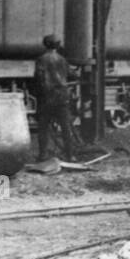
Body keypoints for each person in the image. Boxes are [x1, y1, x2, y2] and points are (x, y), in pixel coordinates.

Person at [34, 34, 76, 163]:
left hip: (47, 97)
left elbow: (38, 78)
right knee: (66, 127)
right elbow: (71, 75)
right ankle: (70, 156)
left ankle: (42, 155)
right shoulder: (62, 60)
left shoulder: (41, 59)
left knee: (43, 128)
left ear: (45, 45)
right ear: (58, 45)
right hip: (62, 97)